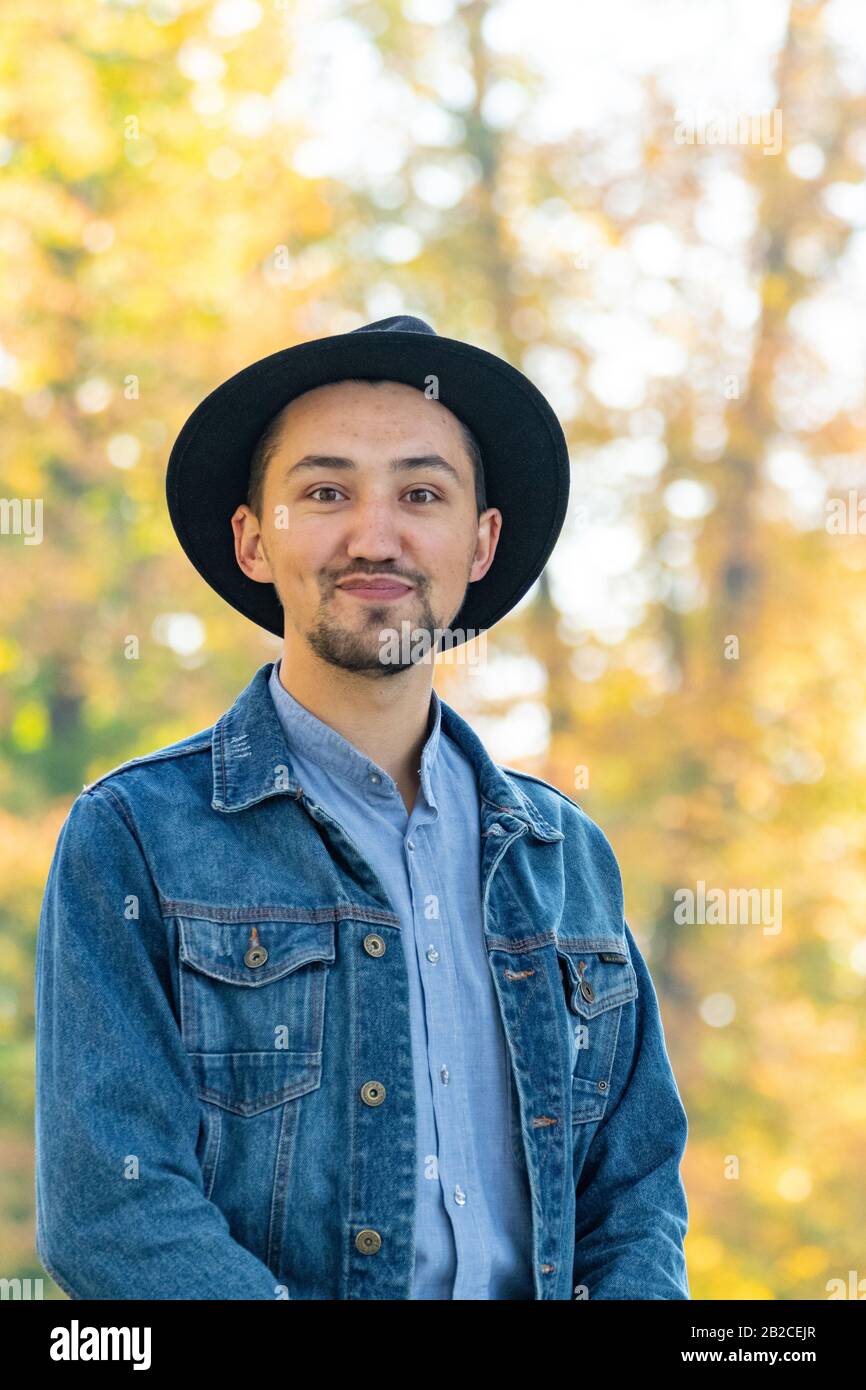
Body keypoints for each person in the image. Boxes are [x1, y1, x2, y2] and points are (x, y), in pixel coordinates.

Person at [34, 315, 689, 1300]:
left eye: (420, 493)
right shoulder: (134, 836)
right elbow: (112, 1213)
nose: (373, 536)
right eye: (325, 491)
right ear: (254, 539)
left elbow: (633, 1200)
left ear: (479, 541)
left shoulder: (568, 856)